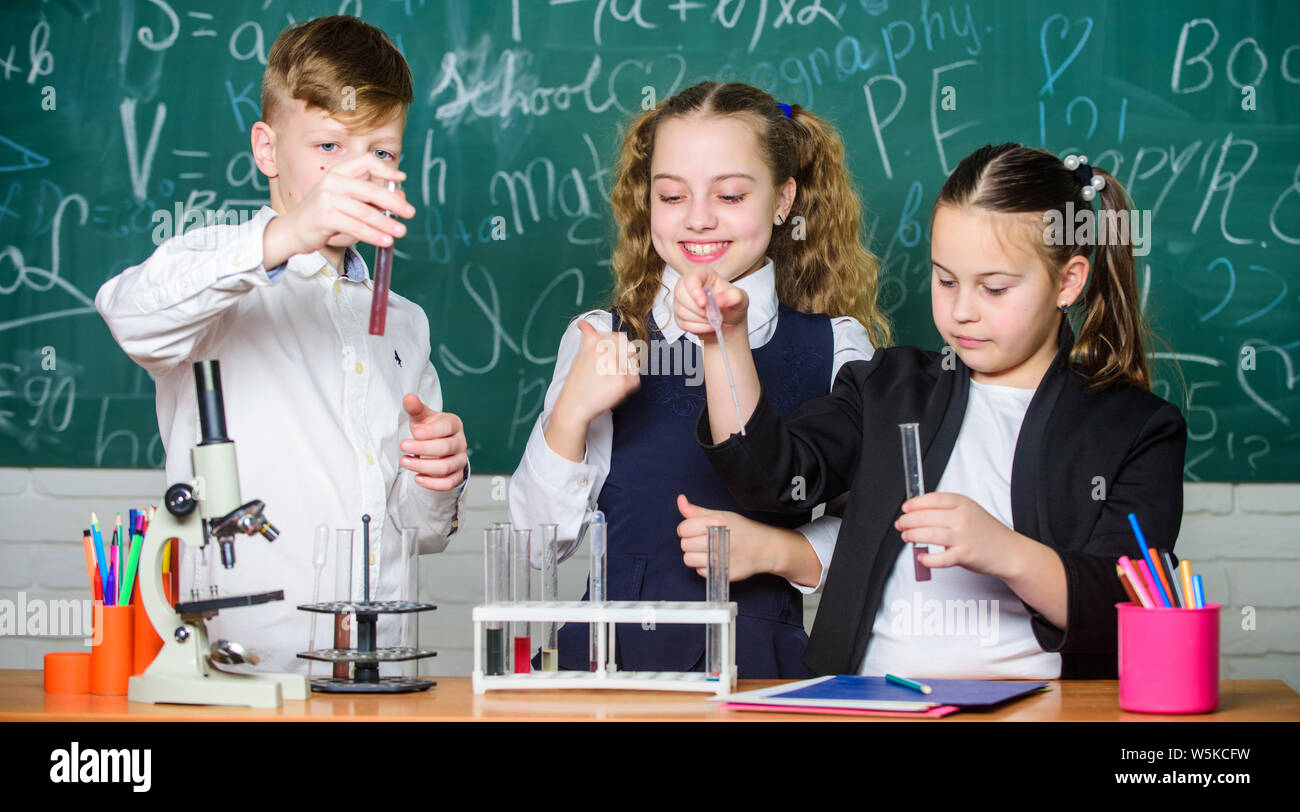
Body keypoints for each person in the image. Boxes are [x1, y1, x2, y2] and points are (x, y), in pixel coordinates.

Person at [686, 143, 1187, 678]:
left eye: (994, 288)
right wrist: (725, 341)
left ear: (1068, 282)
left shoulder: (1137, 428)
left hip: (1043, 710)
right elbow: (772, 479)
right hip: (867, 706)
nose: (962, 311)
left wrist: (1004, 551)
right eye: (945, 280)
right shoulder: (888, 387)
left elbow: (1127, 607)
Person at [95, 16, 468, 673]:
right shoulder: (220, 273)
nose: (354, 174)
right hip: (247, 675)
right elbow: (129, 315)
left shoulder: (403, 322)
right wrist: (288, 235)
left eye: (380, 152)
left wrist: (437, 480)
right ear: (267, 150)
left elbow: (421, 531)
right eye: (328, 146)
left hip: (381, 675)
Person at [508, 81, 891, 678]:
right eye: (671, 195)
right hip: (605, 670)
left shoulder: (836, 346)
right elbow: (535, 546)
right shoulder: (599, 337)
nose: (699, 220)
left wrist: (779, 550)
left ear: (783, 199)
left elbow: (876, 535)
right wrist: (570, 416)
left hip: (759, 667)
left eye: (731, 194)